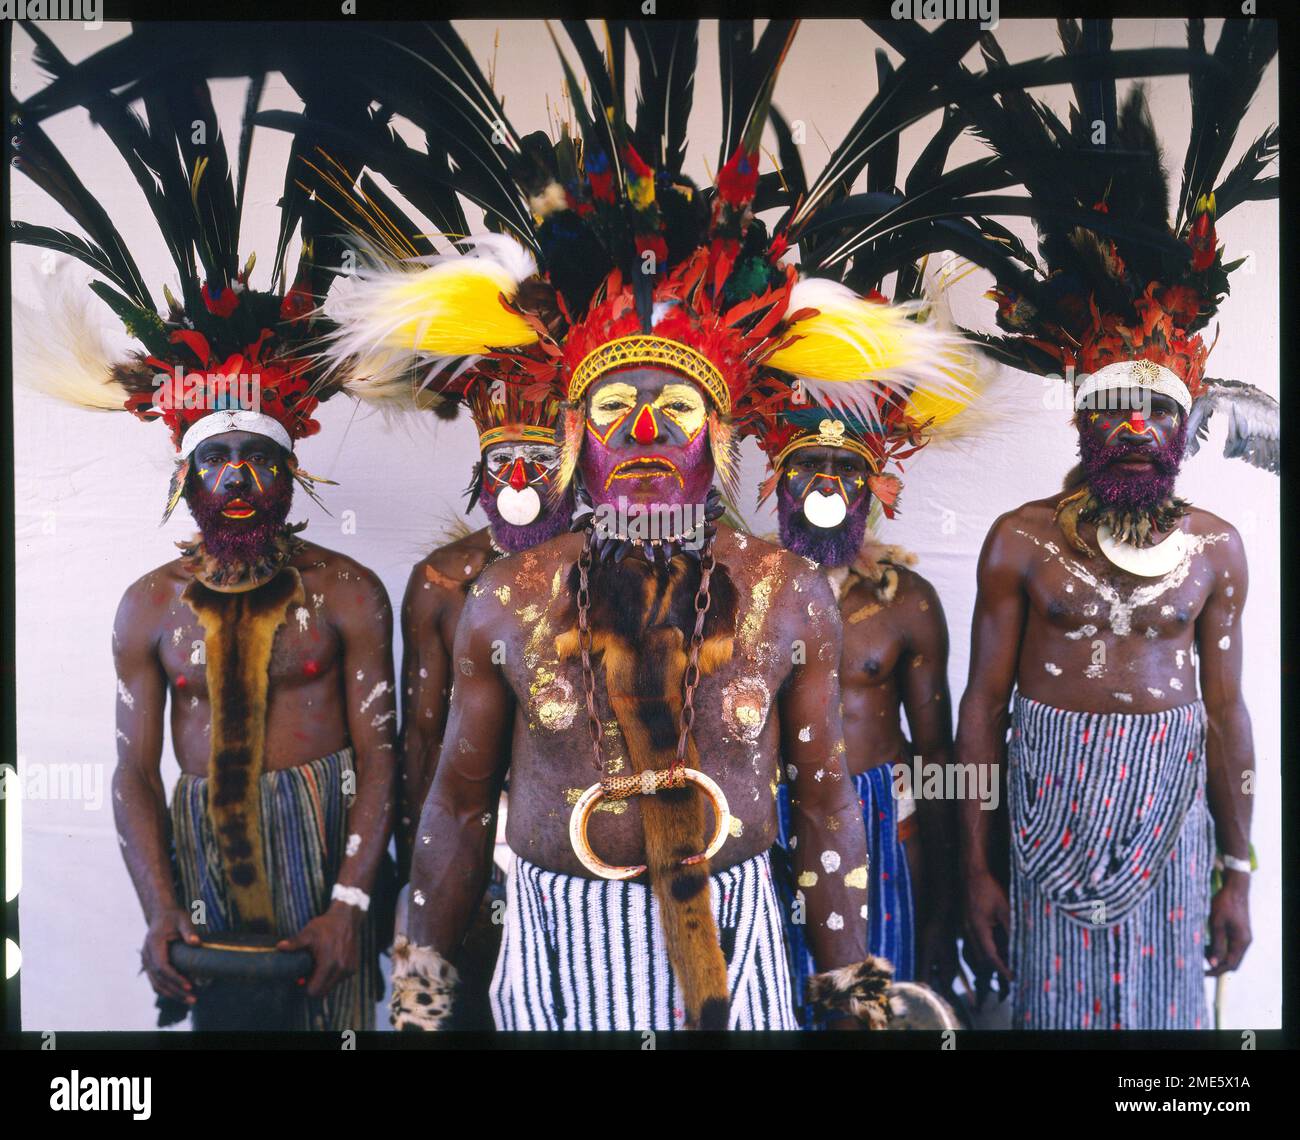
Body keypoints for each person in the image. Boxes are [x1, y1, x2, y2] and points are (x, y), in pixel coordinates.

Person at [321, 20, 981, 1030]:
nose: (640, 431)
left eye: (671, 411)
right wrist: (421, 980)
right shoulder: (503, 599)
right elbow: (457, 806)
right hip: (556, 953)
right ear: (571, 439)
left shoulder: (785, 592)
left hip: (740, 946)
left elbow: (823, 804)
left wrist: (852, 980)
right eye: (611, 411)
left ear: (719, 437)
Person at [13, 75, 396, 1030]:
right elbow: (134, 771)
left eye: (256, 458)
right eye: (215, 458)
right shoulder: (149, 606)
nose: (235, 478)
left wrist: (350, 900)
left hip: (323, 840)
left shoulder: (348, 594)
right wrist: (159, 910)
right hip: (202, 856)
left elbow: (384, 760)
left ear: (289, 468)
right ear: (186, 475)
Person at [956, 19, 1277, 1029]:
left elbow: (1226, 716)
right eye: (1113, 410)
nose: (1136, 432)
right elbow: (977, 714)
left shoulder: (1217, 549)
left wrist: (1238, 869)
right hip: (1046, 814)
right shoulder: (1020, 539)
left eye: (1158, 415)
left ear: (1188, 424)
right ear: (1082, 415)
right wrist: (975, 868)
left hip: (1170, 823)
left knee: (1167, 1026)